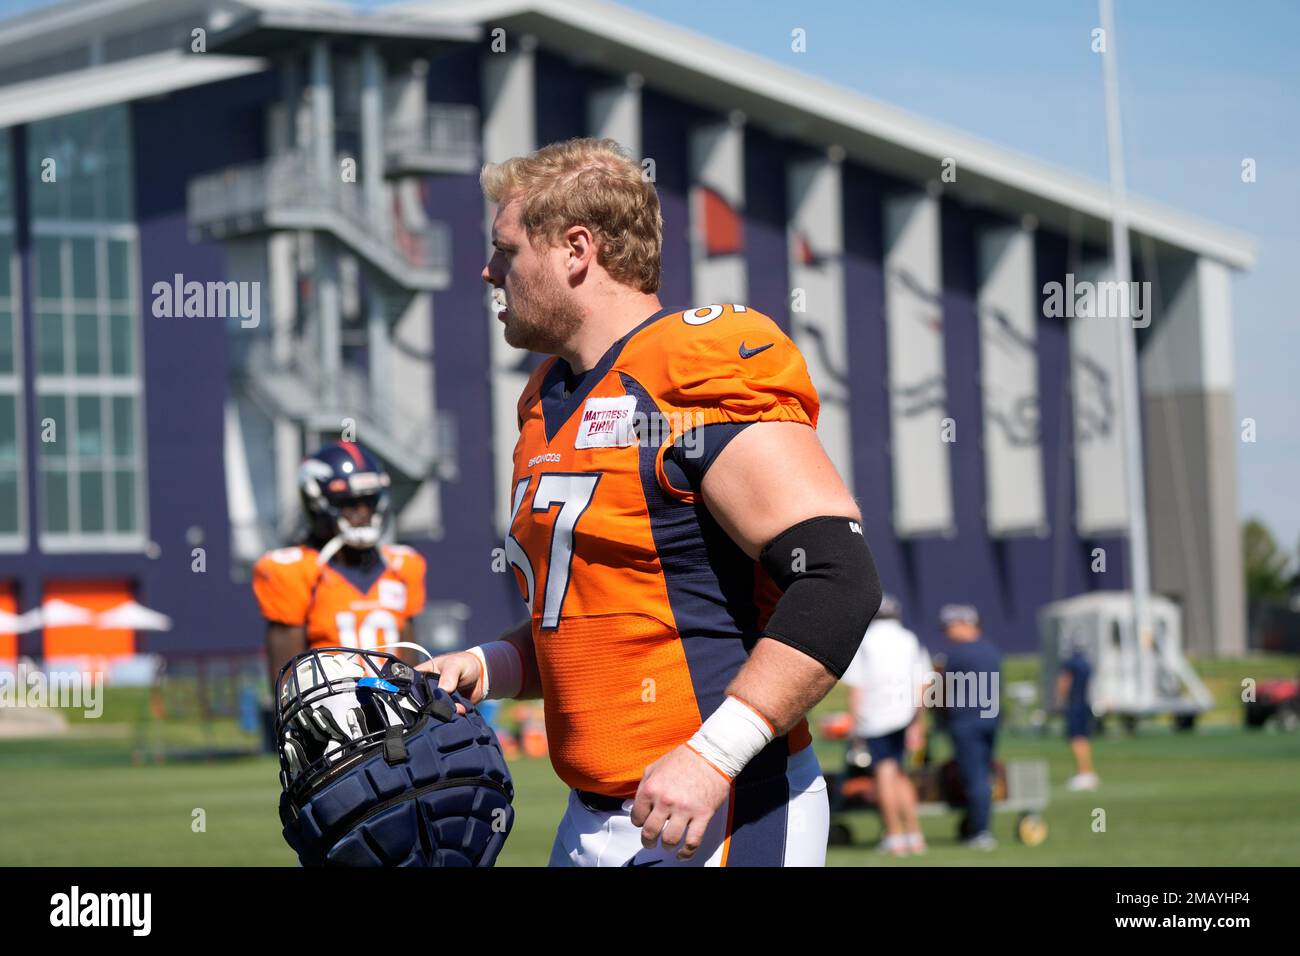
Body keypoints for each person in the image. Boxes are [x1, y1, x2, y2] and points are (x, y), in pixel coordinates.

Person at [424, 137, 882, 866]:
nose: (488, 271)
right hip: (593, 816)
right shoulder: (548, 398)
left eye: (505, 250)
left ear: (576, 249)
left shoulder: (693, 364)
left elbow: (838, 578)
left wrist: (712, 756)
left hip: (722, 807)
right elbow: (599, 624)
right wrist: (484, 665)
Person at [253, 441, 427, 687]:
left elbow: (410, 669)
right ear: (316, 502)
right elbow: (287, 687)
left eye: (368, 501)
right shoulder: (295, 571)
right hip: (328, 716)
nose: (362, 513)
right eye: (349, 503)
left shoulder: (401, 566)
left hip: (396, 715)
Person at [841, 594, 933, 856]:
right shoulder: (909, 639)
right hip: (904, 714)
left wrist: (854, 724)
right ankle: (915, 836)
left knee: (884, 773)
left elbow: (857, 687)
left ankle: (894, 837)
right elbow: (924, 682)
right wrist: (918, 722)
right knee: (899, 773)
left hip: (875, 718)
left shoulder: (866, 641)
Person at [934, 603, 1001, 850]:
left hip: (965, 723)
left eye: (949, 627)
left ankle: (981, 832)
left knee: (974, 779)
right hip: (990, 722)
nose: (946, 633)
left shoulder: (957, 655)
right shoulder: (991, 651)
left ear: (963, 624)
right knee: (984, 775)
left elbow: (940, 691)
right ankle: (978, 826)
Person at [1057, 636, 1100, 790]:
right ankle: (1087, 771)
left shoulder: (1070, 663)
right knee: (1084, 739)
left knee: (1076, 739)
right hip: (1085, 703)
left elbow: (1064, 682)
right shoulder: (1087, 663)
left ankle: (1084, 772)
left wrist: (1060, 700)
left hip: (1075, 703)